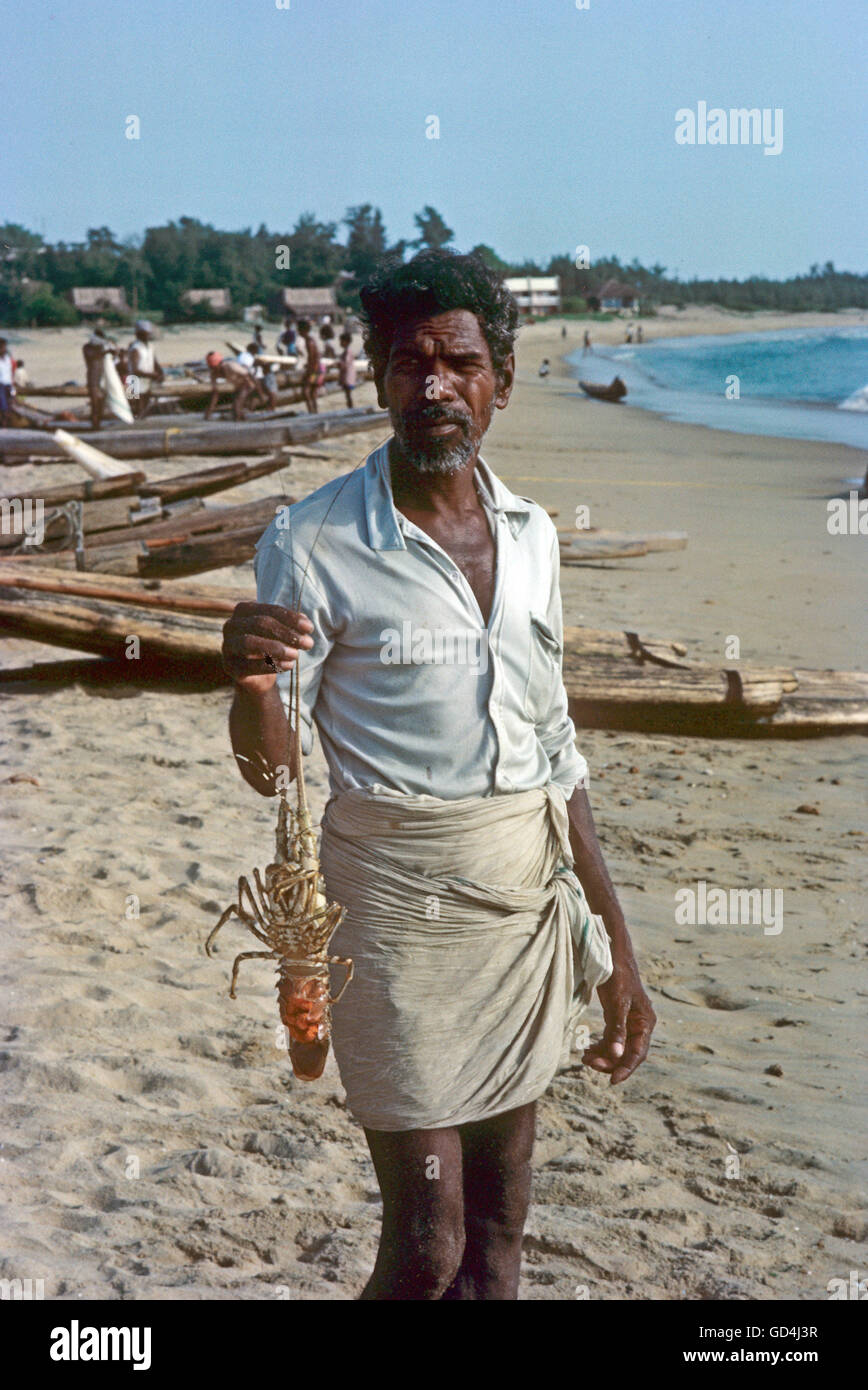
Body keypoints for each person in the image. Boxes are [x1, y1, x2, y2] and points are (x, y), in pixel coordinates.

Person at [222, 248, 656, 1301]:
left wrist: (620, 954)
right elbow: (272, 776)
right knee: (428, 1247)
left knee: (500, 1234)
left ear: (498, 381)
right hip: (396, 919)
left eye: (457, 362)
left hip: (521, 907)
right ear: (375, 378)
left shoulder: (534, 535)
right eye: (407, 361)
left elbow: (556, 755)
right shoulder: (314, 537)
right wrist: (249, 681)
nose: (432, 385)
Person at [204, 350, 255, 420]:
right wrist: (209, 412)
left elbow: (247, 374)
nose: (213, 370)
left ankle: (240, 421)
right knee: (235, 408)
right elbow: (215, 393)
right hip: (238, 387)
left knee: (237, 405)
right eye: (211, 368)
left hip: (248, 385)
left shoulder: (230, 366)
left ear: (219, 364)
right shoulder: (213, 373)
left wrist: (257, 390)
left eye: (214, 367)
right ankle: (242, 418)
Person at [127, 320, 163, 419]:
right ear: (139, 334)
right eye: (145, 334)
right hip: (134, 380)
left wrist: (160, 372)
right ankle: (135, 424)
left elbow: (154, 361)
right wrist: (152, 375)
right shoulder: (135, 348)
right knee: (135, 405)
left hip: (146, 379)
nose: (148, 336)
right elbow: (135, 370)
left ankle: (141, 421)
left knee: (145, 401)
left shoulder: (150, 346)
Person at [82, 324, 112, 429]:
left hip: (101, 380)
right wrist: (106, 351)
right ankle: (95, 426)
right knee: (95, 405)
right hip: (93, 381)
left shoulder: (100, 347)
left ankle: (97, 425)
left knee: (101, 404)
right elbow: (92, 356)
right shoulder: (87, 348)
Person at [297, 318, 320, 414]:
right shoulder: (311, 340)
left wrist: (308, 373)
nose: (298, 331)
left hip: (313, 370)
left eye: (299, 329)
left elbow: (312, 359)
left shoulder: (308, 341)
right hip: (317, 369)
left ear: (303, 330)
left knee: (306, 392)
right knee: (313, 392)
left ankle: (311, 412)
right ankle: (315, 412)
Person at [337, 330, 357, 408]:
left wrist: (337, 365)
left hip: (348, 376)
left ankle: (351, 408)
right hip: (346, 375)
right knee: (347, 395)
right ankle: (350, 407)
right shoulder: (346, 351)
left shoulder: (348, 352)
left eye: (341, 341)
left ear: (346, 342)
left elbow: (345, 364)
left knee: (348, 395)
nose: (340, 343)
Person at [0, 338, 16, 425]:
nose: (3, 349)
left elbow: (10, 375)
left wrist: (13, 390)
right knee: (3, 407)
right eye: (1, 347)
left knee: (11, 406)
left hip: (8, 385)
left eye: (4, 347)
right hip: (0, 386)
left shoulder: (7, 359)